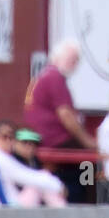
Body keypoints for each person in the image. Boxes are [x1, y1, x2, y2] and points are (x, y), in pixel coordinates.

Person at [24, 39, 95, 202]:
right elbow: (66, 116)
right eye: (72, 59)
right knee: (90, 162)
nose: (75, 64)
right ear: (58, 58)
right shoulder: (55, 78)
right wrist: (88, 142)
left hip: (42, 139)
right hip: (54, 141)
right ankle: (87, 202)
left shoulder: (44, 76)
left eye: (76, 60)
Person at [0, 120, 67, 206]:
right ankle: (64, 215)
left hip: (5, 204)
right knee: (37, 186)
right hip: (2, 206)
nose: (29, 146)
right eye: (24, 142)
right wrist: (58, 186)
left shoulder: (31, 160)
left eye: (34, 143)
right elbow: (28, 177)